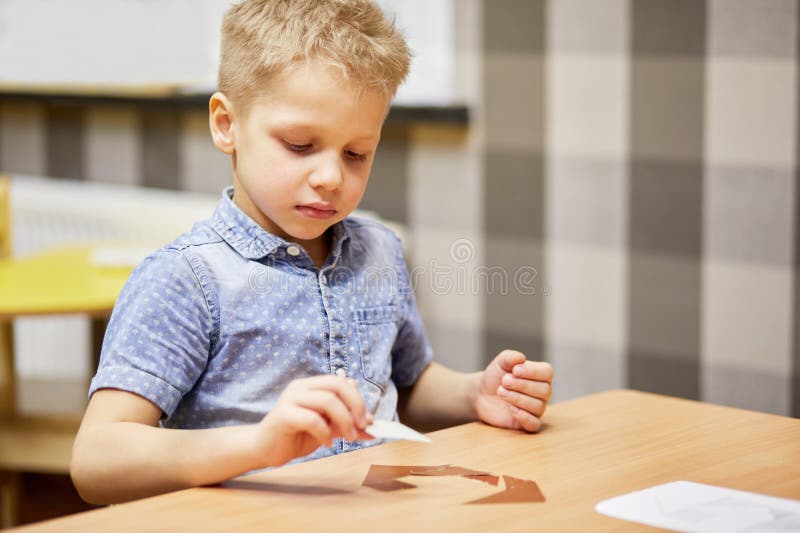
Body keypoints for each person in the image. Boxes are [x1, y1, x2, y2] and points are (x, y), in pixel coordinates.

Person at [70, 0, 553, 505]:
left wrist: (474, 394)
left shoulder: (380, 253)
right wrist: (259, 444)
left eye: (356, 153)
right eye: (300, 145)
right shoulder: (185, 279)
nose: (330, 178)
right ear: (226, 124)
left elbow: (406, 384)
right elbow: (98, 459)